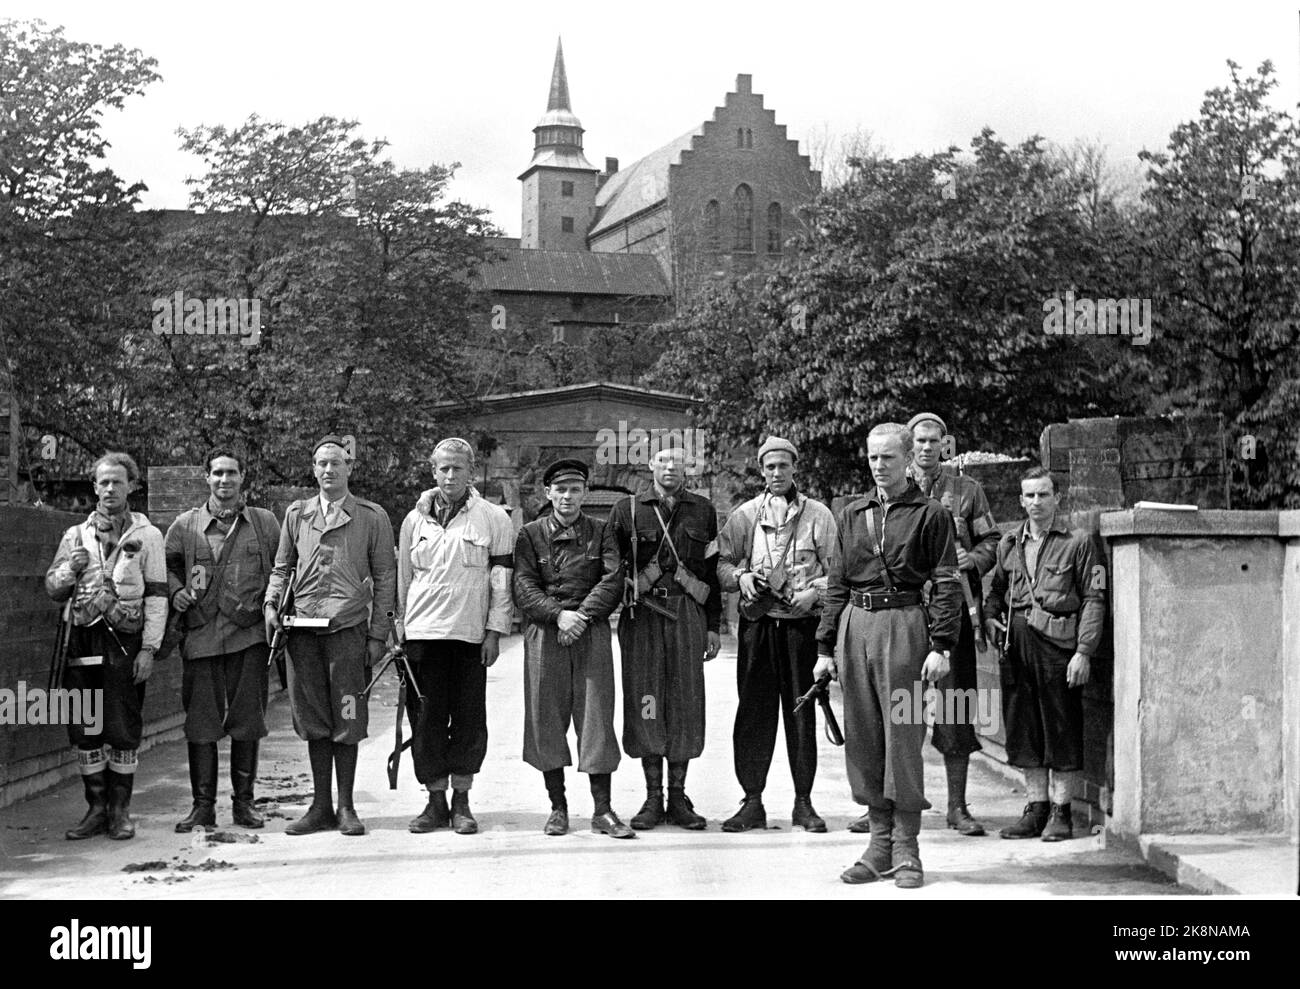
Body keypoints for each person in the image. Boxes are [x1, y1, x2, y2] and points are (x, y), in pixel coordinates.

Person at [815, 423, 962, 888]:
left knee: (902, 736)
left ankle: (907, 848)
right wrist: (824, 647)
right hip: (857, 628)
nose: (879, 466)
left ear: (907, 459)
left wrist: (941, 644)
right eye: (873, 458)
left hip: (905, 627)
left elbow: (946, 582)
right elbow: (836, 582)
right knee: (862, 736)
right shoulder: (851, 512)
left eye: (888, 458)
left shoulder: (931, 514)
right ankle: (878, 844)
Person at [264, 436, 396, 836]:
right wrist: (271, 605)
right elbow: (282, 567)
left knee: (348, 716)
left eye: (336, 463)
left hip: (347, 633)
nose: (328, 470)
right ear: (313, 468)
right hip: (302, 634)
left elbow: (387, 579)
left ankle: (346, 807)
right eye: (321, 463)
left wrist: (379, 635)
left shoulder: (372, 518)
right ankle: (320, 806)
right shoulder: (296, 515)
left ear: (349, 468)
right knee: (313, 718)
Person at [716, 436, 838, 833]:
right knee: (753, 712)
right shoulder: (745, 515)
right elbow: (722, 563)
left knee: (801, 713)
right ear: (761, 470)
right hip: (759, 626)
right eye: (770, 467)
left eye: (784, 466)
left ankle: (804, 803)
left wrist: (812, 593)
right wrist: (741, 576)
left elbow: (838, 573)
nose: (777, 473)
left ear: (794, 468)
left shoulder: (818, 515)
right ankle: (752, 801)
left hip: (802, 628)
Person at [888, 411, 1001, 838]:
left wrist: (969, 560)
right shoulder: (895, 489)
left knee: (956, 712)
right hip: (907, 614)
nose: (927, 448)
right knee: (902, 709)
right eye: (919, 441)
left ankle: (957, 806)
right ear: (908, 445)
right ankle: (892, 802)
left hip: (955, 617)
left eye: (935, 441)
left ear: (945, 445)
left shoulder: (966, 490)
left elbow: (992, 540)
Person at [45, 452, 167, 840]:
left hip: (124, 642)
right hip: (81, 640)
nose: (110, 488)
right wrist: (70, 569)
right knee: (85, 727)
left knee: (122, 727)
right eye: (103, 482)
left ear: (132, 485)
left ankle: (119, 811)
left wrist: (149, 649)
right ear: (94, 486)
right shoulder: (74, 535)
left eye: (118, 481)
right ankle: (95, 809)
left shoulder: (148, 536)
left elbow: (158, 596)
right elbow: (52, 587)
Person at [397, 438, 514, 836]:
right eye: (443, 469)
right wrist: (400, 631)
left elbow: (501, 581)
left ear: (471, 472)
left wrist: (494, 632)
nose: (450, 475)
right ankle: (434, 801)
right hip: (422, 634)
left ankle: (462, 801)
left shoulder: (493, 518)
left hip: (468, 635)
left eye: (458, 469)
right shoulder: (414, 521)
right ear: (433, 471)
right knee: (426, 719)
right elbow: (403, 580)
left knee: (467, 718)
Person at [512, 458, 633, 838]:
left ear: (585, 493)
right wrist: (556, 615)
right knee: (545, 717)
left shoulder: (602, 532)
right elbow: (523, 585)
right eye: (560, 490)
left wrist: (580, 616)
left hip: (590, 631)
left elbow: (613, 579)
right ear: (548, 493)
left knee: (597, 716)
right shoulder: (530, 535)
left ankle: (603, 810)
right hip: (546, 634)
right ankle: (558, 807)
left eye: (575, 490)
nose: (567, 496)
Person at [983, 466, 1106, 841]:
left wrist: (1084, 651)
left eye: (1043, 495)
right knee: (1023, 728)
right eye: (1030, 496)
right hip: (1016, 645)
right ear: (1021, 501)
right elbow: (997, 591)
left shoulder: (1080, 542)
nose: (1036, 502)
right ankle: (1035, 808)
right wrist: (989, 617)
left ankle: (1061, 811)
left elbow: (1095, 598)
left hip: (1057, 645)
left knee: (1061, 726)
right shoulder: (1009, 543)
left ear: (1058, 498)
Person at [606, 445, 721, 830]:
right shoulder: (627, 510)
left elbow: (711, 569)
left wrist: (712, 626)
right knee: (647, 699)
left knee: (684, 700)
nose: (671, 468)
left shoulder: (702, 510)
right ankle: (653, 797)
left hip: (687, 615)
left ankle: (678, 797)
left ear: (688, 469)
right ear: (650, 466)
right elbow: (610, 567)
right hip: (644, 617)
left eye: (679, 463)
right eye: (664, 462)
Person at [165, 448, 280, 832]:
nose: (224, 480)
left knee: (248, 720)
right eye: (217, 473)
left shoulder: (263, 524)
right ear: (206, 477)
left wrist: (270, 607)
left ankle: (244, 804)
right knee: (200, 722)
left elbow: (283, 569)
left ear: (243, 476)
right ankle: (203, 807)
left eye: (232, 472)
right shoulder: (185, 525)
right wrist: (176, 589)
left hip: (248, 637)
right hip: (201, 636)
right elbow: (165, 567)